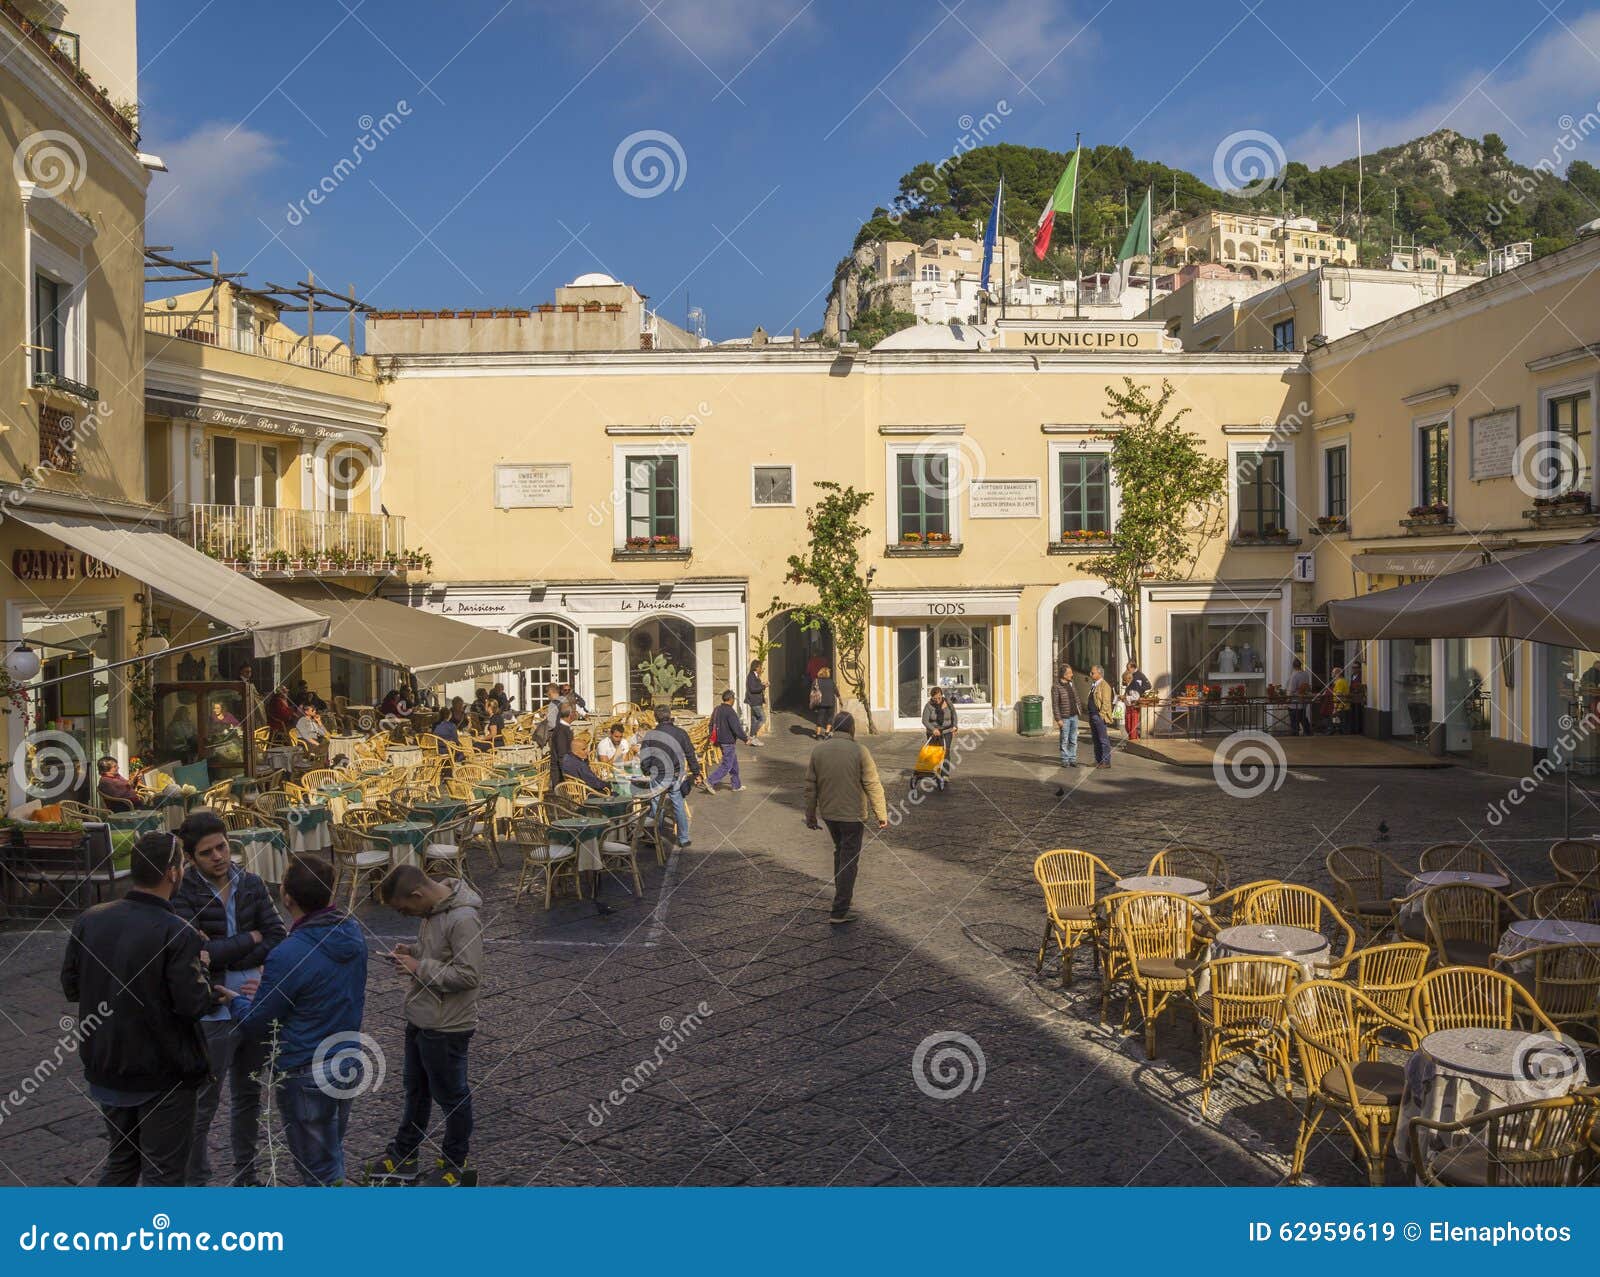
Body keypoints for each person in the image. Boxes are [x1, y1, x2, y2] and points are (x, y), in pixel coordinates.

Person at [60, 830, 214, 1186]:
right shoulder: (177, 932)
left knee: (122, 1163)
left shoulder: (91, 919)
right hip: (162, 1073)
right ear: (172, 873)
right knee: (164, 1175)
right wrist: (204, 969)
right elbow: (193, 1004)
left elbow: (71, 987)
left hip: (107, 1064)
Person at [235, 856, 368, 1186]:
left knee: (317, 1172)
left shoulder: (287, 954)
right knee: (331, 1153)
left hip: (306, 1070)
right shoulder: (352, 933)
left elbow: (256, 1022)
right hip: (347, 1058)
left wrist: (237, 1000)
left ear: (286, 896)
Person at [171, 810, 284, 1186]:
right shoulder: (183, 894)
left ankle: (246, 1177)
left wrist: (223, 948)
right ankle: (196, 1184)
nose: (219, 856)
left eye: (222, 846)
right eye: (208, 852)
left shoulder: (251, 883)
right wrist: (250, 939)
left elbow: (276, 937)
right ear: (190, 858)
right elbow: (193, 954)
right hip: (213, 1009)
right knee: (203, 1104)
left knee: (250, 1095)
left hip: (254, 1005)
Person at [372, 865, 484, 1186]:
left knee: (453, 1097)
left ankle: (455, 1164)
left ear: (418, 894)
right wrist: (414, 952)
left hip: (447, 1026)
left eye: (404, 908)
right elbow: (440, 955)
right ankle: (405, 1154)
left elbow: (468, 975)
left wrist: (419, 966)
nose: (405, 915)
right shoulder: (432, 912)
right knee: (416, 1092)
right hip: (422, 1019)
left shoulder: (463, 920)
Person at [803, 713, 888, 925]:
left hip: (830, 814)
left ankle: (840, 897)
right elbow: (872, 784)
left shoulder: (819, 750)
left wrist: (810, 814)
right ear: (851, 729)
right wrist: (881, 814)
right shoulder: (860, 751)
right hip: (853, 815)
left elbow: (810, 787)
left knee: (840, 852)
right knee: (849, 859)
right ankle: (840, 909)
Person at [640, 705, 700, 850]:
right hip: (676, 774)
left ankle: (656, 838)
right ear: (669, 715)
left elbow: (645, 756)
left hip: (658, 774)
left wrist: (646, 770)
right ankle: (684, 838)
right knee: (678, 805)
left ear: (655, 717)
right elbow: (690, 753)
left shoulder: (650, 735)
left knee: (656, 806)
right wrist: (696, 772)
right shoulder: (680, 733)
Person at [706, 689, 749, 793]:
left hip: (720, 741)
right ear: (730, 699)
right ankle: (710, 781)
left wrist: (713, 737)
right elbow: (736, 728)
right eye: (733, 698)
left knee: (733, 764)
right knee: (727, 765)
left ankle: (736, 785)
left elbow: (711, 725)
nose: (734, 700)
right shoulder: (730, 711)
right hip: (728, 742)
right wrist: (745, 739)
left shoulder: (717, 709)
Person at [920, 685, 956, 784]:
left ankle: (945, 775)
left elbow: (954, 714)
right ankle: (934, 773)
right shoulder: (929, 706)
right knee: (934, 753)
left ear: (941, 695)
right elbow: (924, 720)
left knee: (946, 752)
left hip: (946, 731)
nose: (937, 700)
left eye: (939, 697)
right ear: (931, 697)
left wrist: (955, 726)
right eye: (935, 698)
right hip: (934, 733)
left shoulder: (947, 702)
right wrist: (933, 729)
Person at [1051, 663, 1081, 769]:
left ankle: (1072, 758)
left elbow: (1076, 697)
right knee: (1064, 739)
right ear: (1063, 674)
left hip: (1074, 716)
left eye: (1071, 672)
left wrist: (1079, 710)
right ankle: (1065, 759)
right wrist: (1058, 719)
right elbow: (1055, 704)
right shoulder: (1056, 686)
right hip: (1064, 717)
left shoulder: (1071, 683)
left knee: (1073, 739)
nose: (1071, 674)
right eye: (1069, 673)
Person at [1086, 664, 1115, 768]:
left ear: (1099, 673)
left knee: (1103, 739)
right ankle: (1098, 760)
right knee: (1096, 739)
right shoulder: (1094, 685)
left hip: (1098, 716)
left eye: (1092, 673)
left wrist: (1101, 716)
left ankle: (1106, 761)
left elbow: (1106, 703)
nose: (1090, 674)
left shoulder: (1104, 685)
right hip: (1092, 715)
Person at [548, 703, 576, 785]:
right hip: (561, 777)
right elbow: (562, 755)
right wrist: (567, 776)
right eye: (574, 712)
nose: (576, 714)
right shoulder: (561, 731)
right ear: (570, 715)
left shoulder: (563, 728)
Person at [1123, 663, 1152, 740]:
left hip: (1135, 702)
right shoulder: (1130, 677)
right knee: (1128, 724)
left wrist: (1139, 689)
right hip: (1129, 703)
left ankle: (1134, 739)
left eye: (1128, 668)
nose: (1127, 670)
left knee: (1133, 724)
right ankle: (1133, 738)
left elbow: (1148, 686)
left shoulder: (1139, 675)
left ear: (1133, 668)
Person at [1286, 658, 1313, 737]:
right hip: (1303, 700)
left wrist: (1288, 698)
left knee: (1294, 719)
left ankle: (1295, 732)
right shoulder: (1305, 674)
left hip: (1294, 701)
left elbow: (1291, 689)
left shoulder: (1294, 675)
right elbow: (1307, 685)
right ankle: (1307, 731)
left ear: (1293, 666)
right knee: (1302, 717)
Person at [811, 665, 839, 739]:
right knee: (830, 717)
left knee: (820, 717)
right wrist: (840, 698)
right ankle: (827, 732)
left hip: (820, 702)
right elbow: (836, 691)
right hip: (830, 702)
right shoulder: (831, 681)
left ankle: (818, 734)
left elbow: (812, 691)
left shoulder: (816, 681)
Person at [745, 659, 768, 747]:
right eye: (760, 667)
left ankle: (753, 738)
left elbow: (757, 687)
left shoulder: (756, 676)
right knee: (762, 718)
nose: (761, 669)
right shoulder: (751, 676)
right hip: (754, 702)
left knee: (754, 720)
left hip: (757, 701)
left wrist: (763, 685)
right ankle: (752, 736)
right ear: (756, 667)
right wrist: (763, 686)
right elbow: (753, 689)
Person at [1330, 665, 1351, 736]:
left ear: (1337, 673)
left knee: (1339, 723)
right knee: (1338, 723)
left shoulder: (1340, 682)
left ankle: (1338, 733)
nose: (1332, 674)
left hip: (1341, 707)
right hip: (1343, 706)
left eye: (1333, 673)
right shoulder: (1343, 681)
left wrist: (1335, 708)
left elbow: (1339, 695)